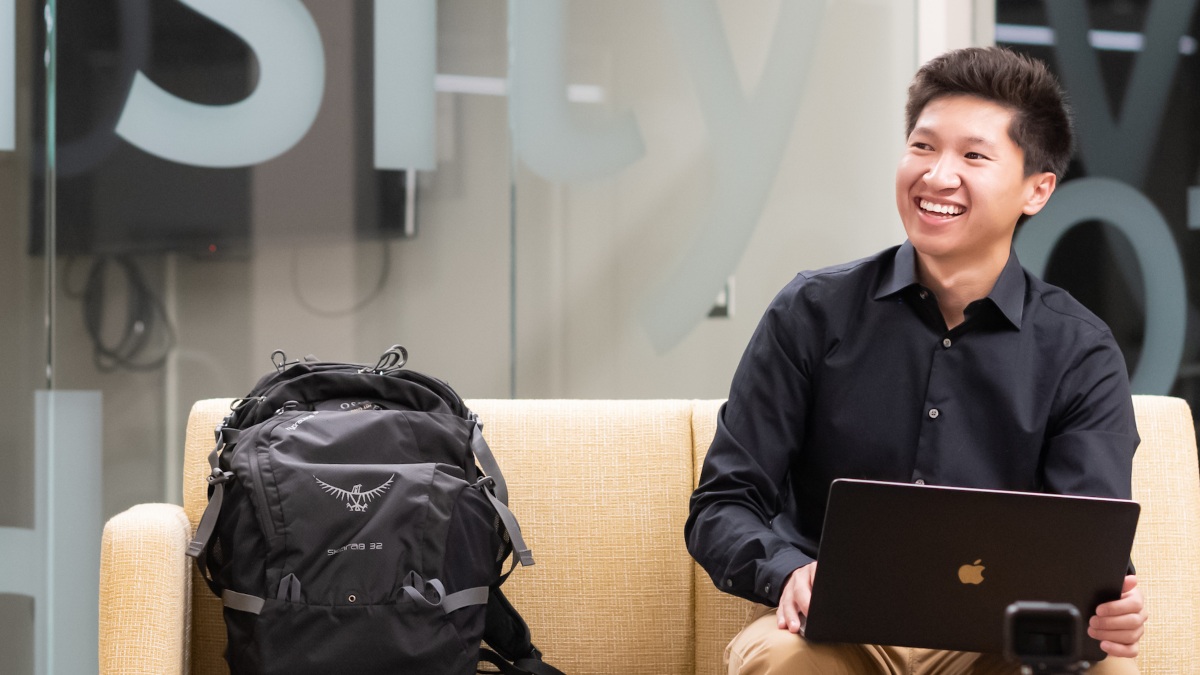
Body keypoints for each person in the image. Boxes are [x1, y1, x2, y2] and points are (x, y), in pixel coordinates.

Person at [685, 46, 1147, 675]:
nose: (936, 176)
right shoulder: (812, 312)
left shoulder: (1080, 351)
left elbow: (1087, 541)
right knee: (782, 657)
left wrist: (1110, 604)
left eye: (973, 155)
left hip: (995, 639)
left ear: (1037, 190)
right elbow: (723, 502)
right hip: (836, 630)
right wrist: (790, 572)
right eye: (923, 147)